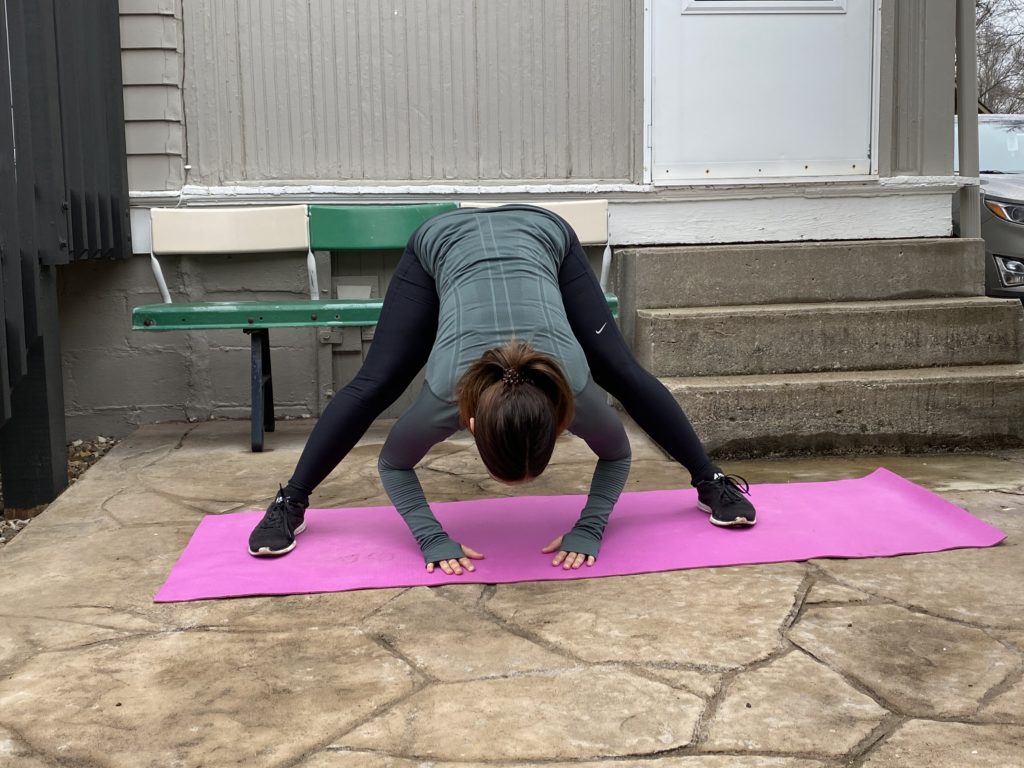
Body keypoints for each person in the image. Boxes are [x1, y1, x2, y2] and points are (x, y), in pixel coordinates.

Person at [247, 205, 756, 573]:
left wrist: (591, 526)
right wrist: (430, 536)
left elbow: (618, 455)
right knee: (375, 384)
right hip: (440, 242)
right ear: (469, 423)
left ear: (561, 420)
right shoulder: (446, 392)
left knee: (621, 369)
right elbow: (392, 462)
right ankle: (291, 502)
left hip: (542, 234)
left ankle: (711, 480)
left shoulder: (573, 388)